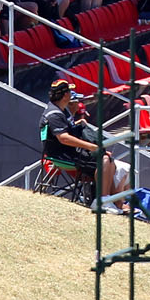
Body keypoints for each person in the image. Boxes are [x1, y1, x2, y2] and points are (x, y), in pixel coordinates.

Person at [40, 81, 123, 209]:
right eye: (68, 92)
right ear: (65, 95)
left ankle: (111, 201)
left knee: (108, 158)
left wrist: (78, 124)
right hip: (62, 156)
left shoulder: (63, 111)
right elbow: (64, 138)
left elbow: (67, 130)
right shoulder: (54, 114)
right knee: (104, 160)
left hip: (69, 152)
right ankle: (101, 201)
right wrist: (90, 147)